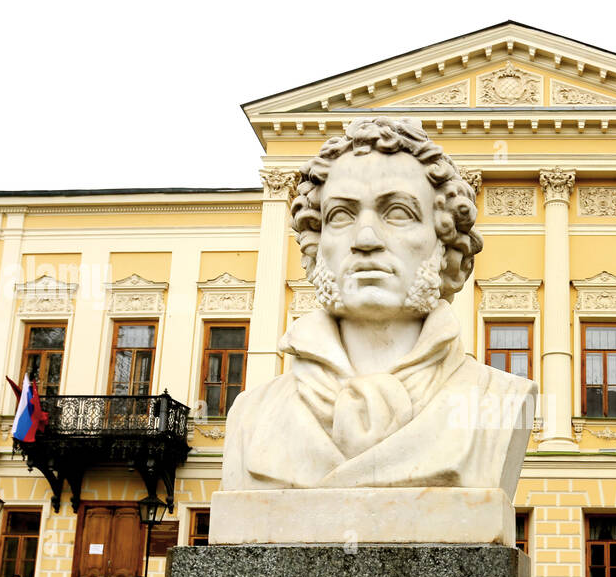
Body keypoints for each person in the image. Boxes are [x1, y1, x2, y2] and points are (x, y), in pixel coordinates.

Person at [221, 116, 535, 494]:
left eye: (398, 212)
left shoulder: (498, 403)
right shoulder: (251, 417)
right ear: (315, 246)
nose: (366, 239)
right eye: (341, 216)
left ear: (446, 249)